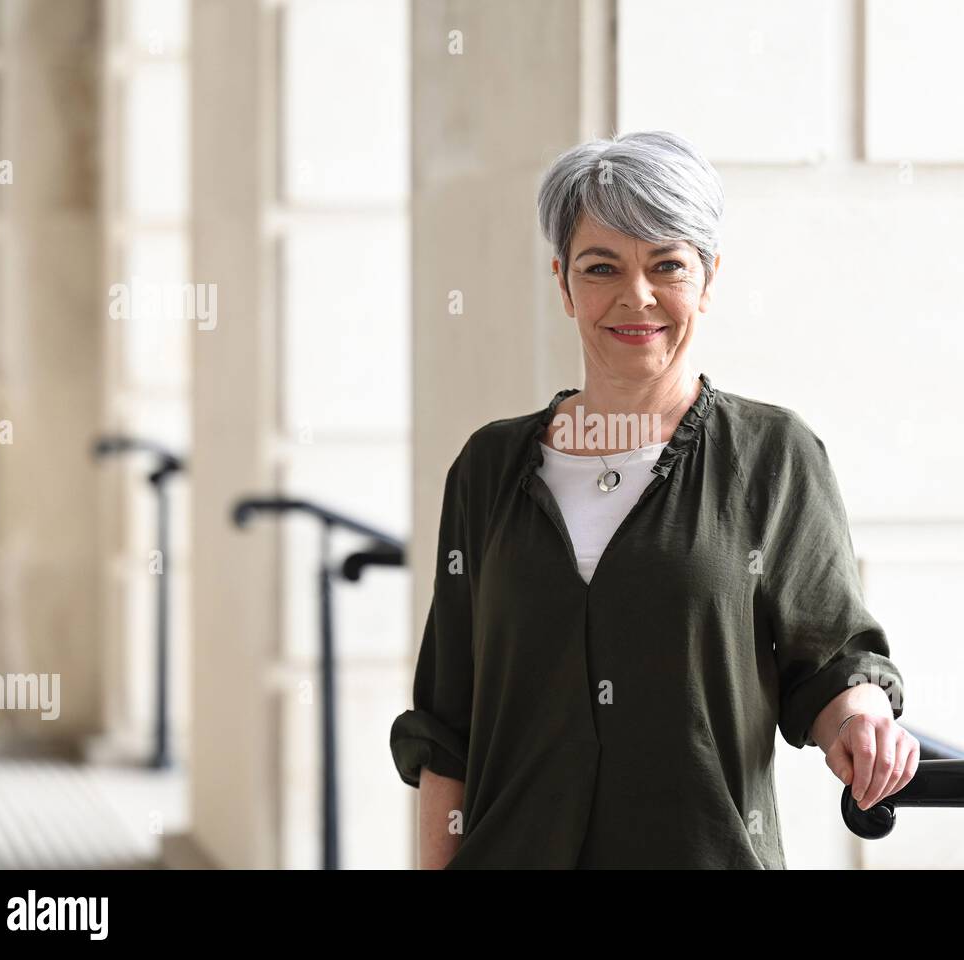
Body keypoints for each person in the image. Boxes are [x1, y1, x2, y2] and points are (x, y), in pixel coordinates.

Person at [390, 130, 916, 868]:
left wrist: (863, 723)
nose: (636, 296)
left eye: (667, 264)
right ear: (564, 283)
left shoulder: (773, 456)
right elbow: (448, 721)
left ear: (707, 279)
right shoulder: (488, 468)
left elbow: (831, 658)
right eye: (601, 267)